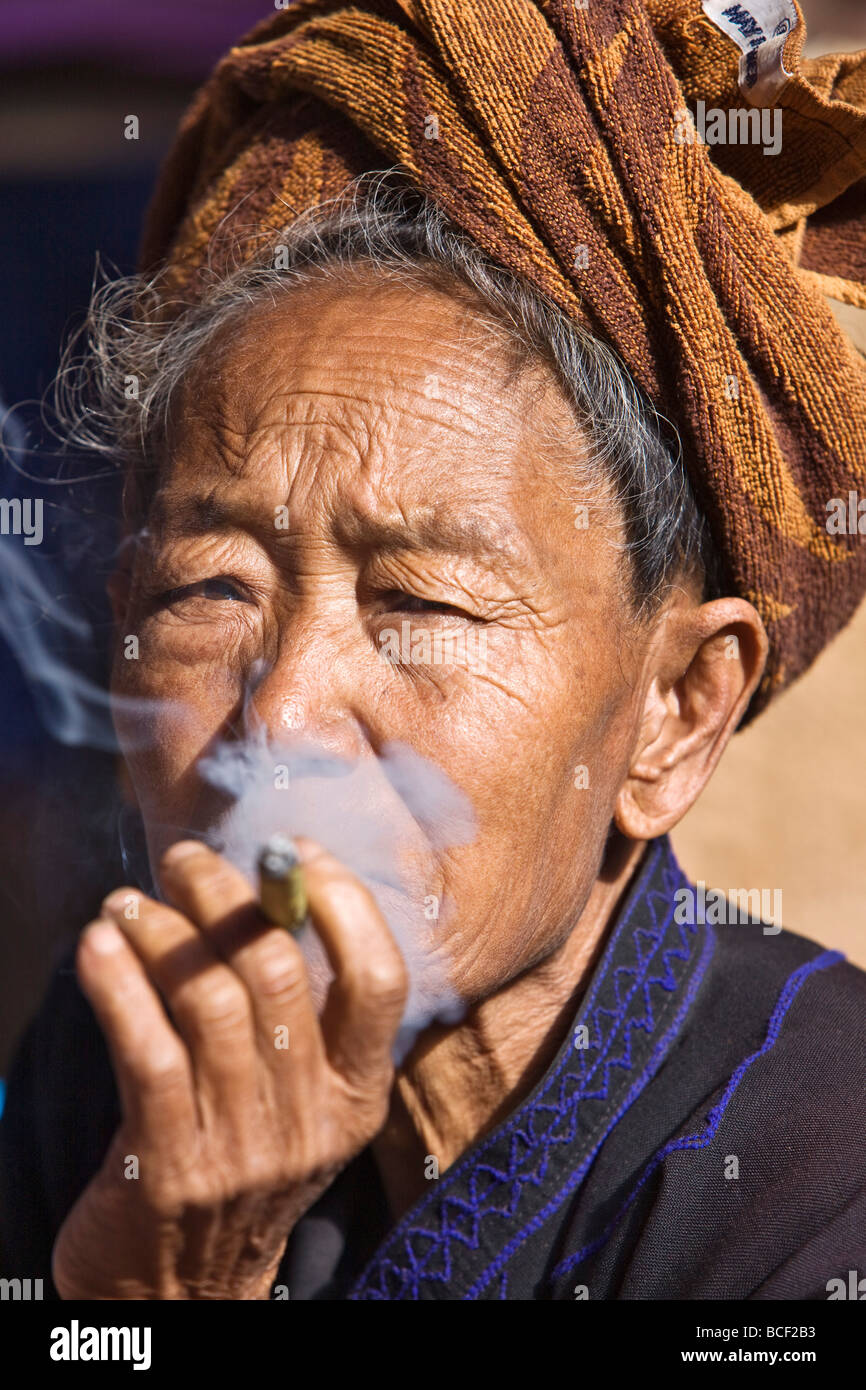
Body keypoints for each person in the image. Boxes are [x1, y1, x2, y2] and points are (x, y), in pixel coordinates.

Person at [1, 0, 865, 1300]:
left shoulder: (816, 1181)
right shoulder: (121, 1054)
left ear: (676, 709)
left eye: (418, 604)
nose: (282, 713)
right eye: (210, 585)